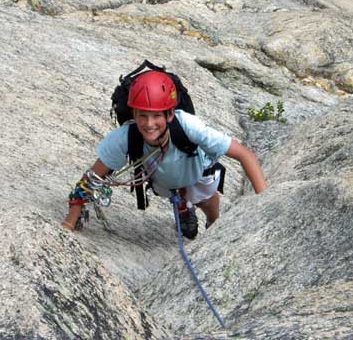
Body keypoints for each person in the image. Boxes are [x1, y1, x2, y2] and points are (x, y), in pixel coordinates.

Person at [62, 70, 266, 237]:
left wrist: (266, 203)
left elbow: (245, 155)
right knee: (177, 190)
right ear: (134, 114)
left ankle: (212, 222)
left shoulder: (188, 126)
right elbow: (92, 178)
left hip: (196, 170)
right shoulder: (126, 136)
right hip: (163, 180)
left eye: (156, 116)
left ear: (170, 114)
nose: (149, 124)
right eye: (142, 116)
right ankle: (183, 206)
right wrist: (69, 224)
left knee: (205, 198)